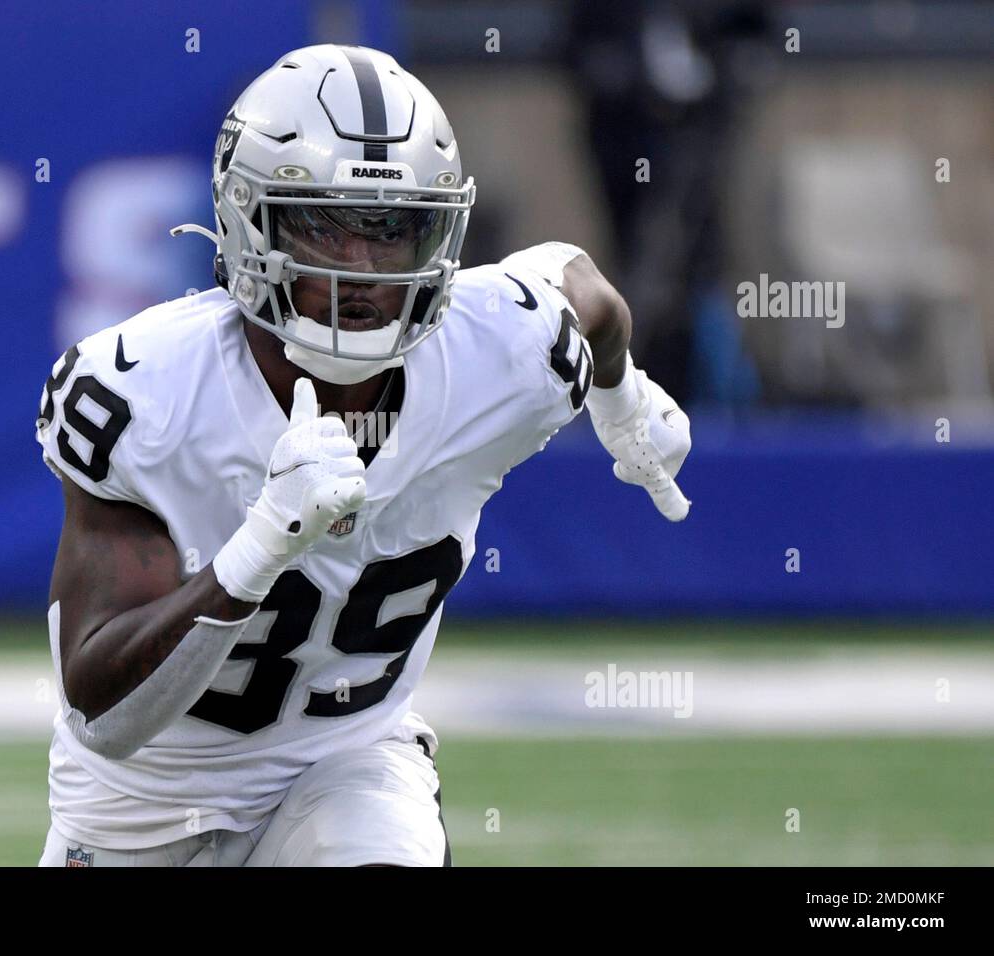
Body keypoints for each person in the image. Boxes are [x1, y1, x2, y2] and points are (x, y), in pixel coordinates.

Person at [35, 43, 691, 867]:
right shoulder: (147, 395)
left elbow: (580, 287)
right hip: (147, 808)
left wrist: (622, 396)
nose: (364, 270)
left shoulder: (498, 354)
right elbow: (108, 717)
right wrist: (258, 551)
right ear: (246, 221)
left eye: (395, 230)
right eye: (325, 225)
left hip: (349, 763)